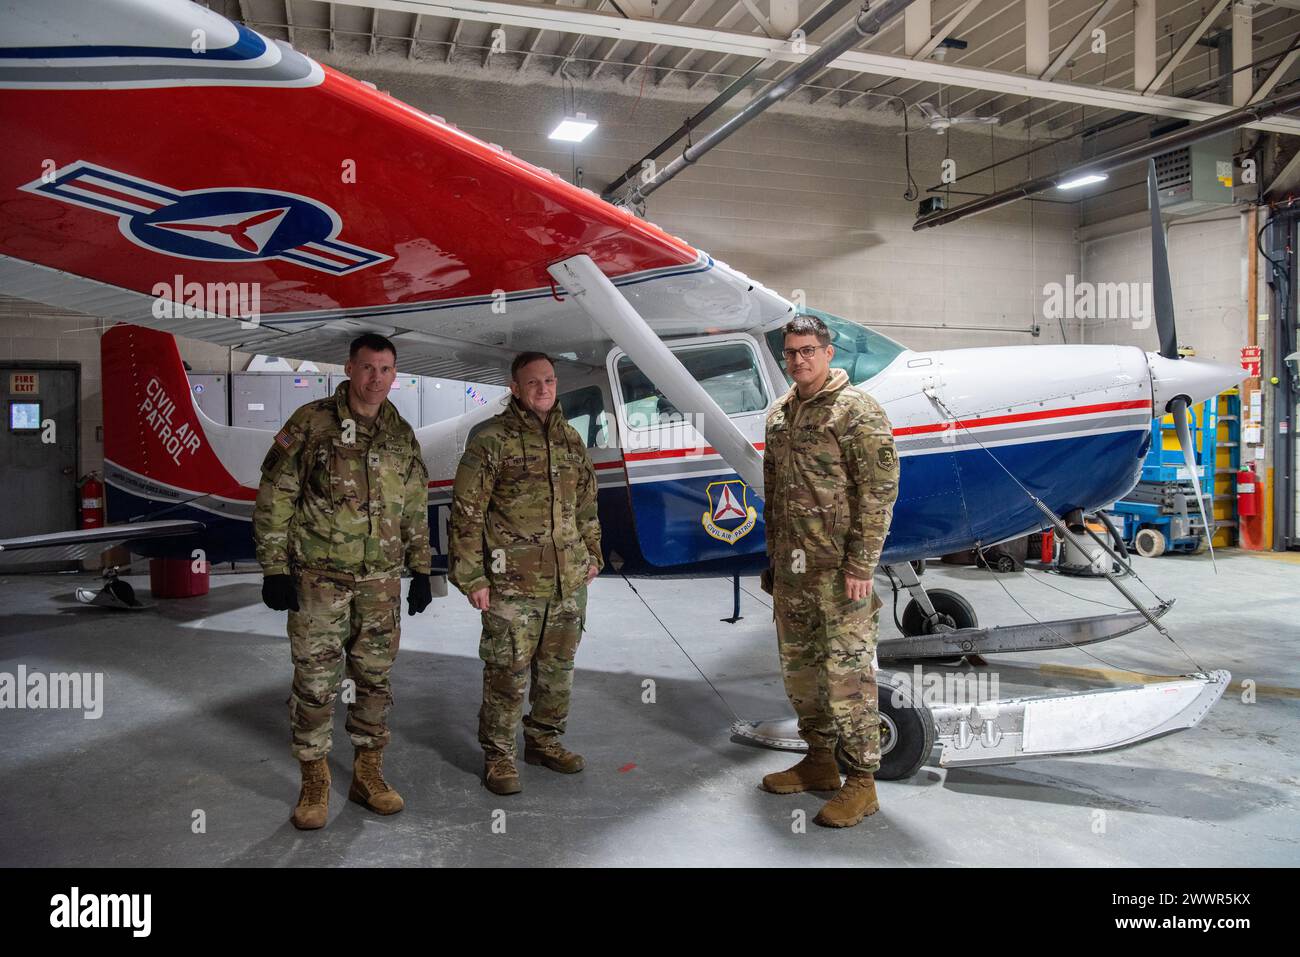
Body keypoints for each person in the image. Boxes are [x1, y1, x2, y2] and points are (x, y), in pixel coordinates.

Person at [253, 333, 433, 830]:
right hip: (319, 580)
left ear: (396, 375)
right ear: (349, 369)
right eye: (368, 368)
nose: (377, 379)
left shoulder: (401, 435)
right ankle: (314, 780)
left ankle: (367, 774)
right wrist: (274, 569)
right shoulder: (311, 423)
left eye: (386, 369)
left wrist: (421, 568)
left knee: (374, 681)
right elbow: (276, 495)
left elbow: (414, 507)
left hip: (380, 582)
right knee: (315, 684)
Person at [759, 314, 900, 828]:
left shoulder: (858, 413)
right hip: (793, 574)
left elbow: (879, 493)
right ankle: (819, 761)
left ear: (828, 352)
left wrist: (862, 562)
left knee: (847, 678)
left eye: (808, 350)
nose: (799, 359)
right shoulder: (778, 415)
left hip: (841, 575)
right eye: (792, 352)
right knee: (802, 675)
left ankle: (862, 783)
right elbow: (773, 496)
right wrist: (774, 562)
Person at [449, 352, 602, 796]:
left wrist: (592, 553)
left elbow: (588, 503)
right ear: (514, 388)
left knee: (558, 670)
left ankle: (544, 741)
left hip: (567, 584)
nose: (543, 389)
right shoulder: (491, 441)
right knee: (507, 673)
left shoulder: (571, 439)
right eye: (532, 382)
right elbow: (465, 515)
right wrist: (473, 577)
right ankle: (498, 757)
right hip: (511, 585)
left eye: (550, 380)